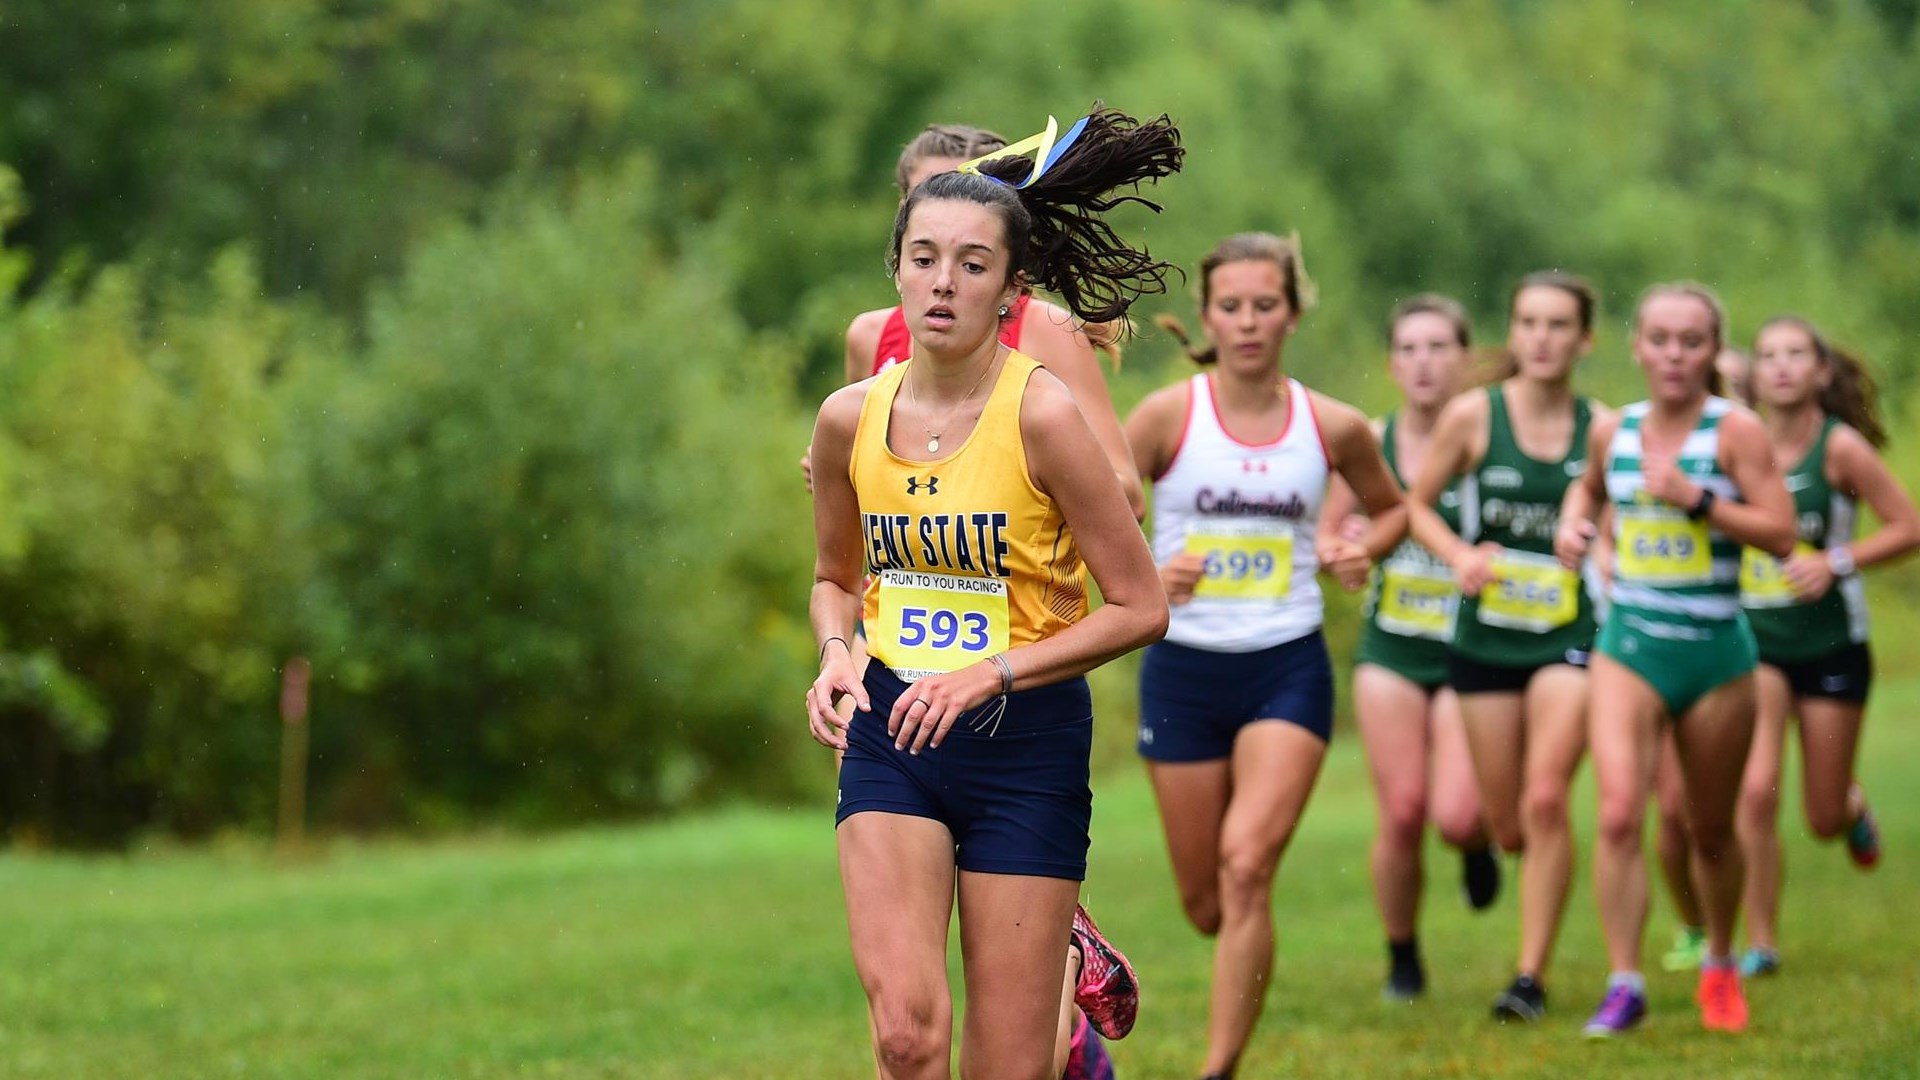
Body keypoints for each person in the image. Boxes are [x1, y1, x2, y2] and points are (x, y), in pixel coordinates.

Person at [806, 107, 1178, 1080]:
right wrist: (838, 656)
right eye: (923, 256)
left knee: (1009, 1066)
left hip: (1024, 745)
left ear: (1011, 284)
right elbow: (834, 577)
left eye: (972, 264)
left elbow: (1140, 606)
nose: (943, 280)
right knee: (904, 1037)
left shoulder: (1045, 411)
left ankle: (1068, 963)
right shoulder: (849, 416)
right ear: (895, 266)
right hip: (895, 731)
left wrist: (993, 673)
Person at [1126, 232, 1403, 1079]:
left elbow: (1392, 511)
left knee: (1248, 866)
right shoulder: (1168, 418)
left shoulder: (1334, 424)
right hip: (1182, 670)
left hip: (1286, 664)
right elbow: (1089, 514)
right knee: (1207, 903)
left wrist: (1362, 547)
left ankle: (1218, 1069)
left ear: (1293, 312)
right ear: (1208, 315)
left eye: (1266, 305)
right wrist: (1147, 571)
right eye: (1232, 306)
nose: (1249, 322)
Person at [1556, 282, 1796, 1037]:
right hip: (1629, 645)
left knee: (1709, 830)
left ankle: (1721, 961)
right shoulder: (1614, 430)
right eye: (1659, 339)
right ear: (1636, 346)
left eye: (1691, 341)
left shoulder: (1737, 432)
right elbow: (1588, 490)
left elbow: (1782, 533)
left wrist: (1697, 500)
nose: (1674, 354)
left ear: (1711, 350)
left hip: (1717, 654)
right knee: (1621, 812)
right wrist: (1573, 528)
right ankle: (1624, 982)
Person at [1403, 271, 1607, 1022]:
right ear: (1513, 334)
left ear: (1585, 339)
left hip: (1570, 636)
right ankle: (1490, 846)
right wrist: (1460, 556)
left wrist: (1594, 542)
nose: (1542, 338)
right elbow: (1415, 507)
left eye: (1559, 325)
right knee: (1512, 820)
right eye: (1529, 323)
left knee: (1548, 796)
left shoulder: (1604, 427)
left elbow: (1625, 524)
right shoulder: (1473, 416)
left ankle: (1529, 976)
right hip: (1484, 640)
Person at [1320, 294, 1498, 1002]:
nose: (1425, 363)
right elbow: (1329, 533)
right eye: (1411, 350)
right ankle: (1402, 955)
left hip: (1471, 649)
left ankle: (1476, 843)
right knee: (1400, 811)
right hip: (1392, 646)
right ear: (1393, 365)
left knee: (1455, 813)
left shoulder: (1488, 442)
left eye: (1440, 348)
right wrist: (1343, 552)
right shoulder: (1372, 441)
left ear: (1463, 359)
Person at [1733, 315, 1919, 977]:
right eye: (1768, 355)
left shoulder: (1839, 449)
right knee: (1754, 791)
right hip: (1755, 641)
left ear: (1821, 372)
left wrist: (1835, 561)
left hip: (1832, 643)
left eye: (1795, 355)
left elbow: (1908, 526)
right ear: (1752, 372)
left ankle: (1852, 807)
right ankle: (1761, 942)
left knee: (1819, 814)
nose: (1780, 366)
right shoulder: (1734, 440)